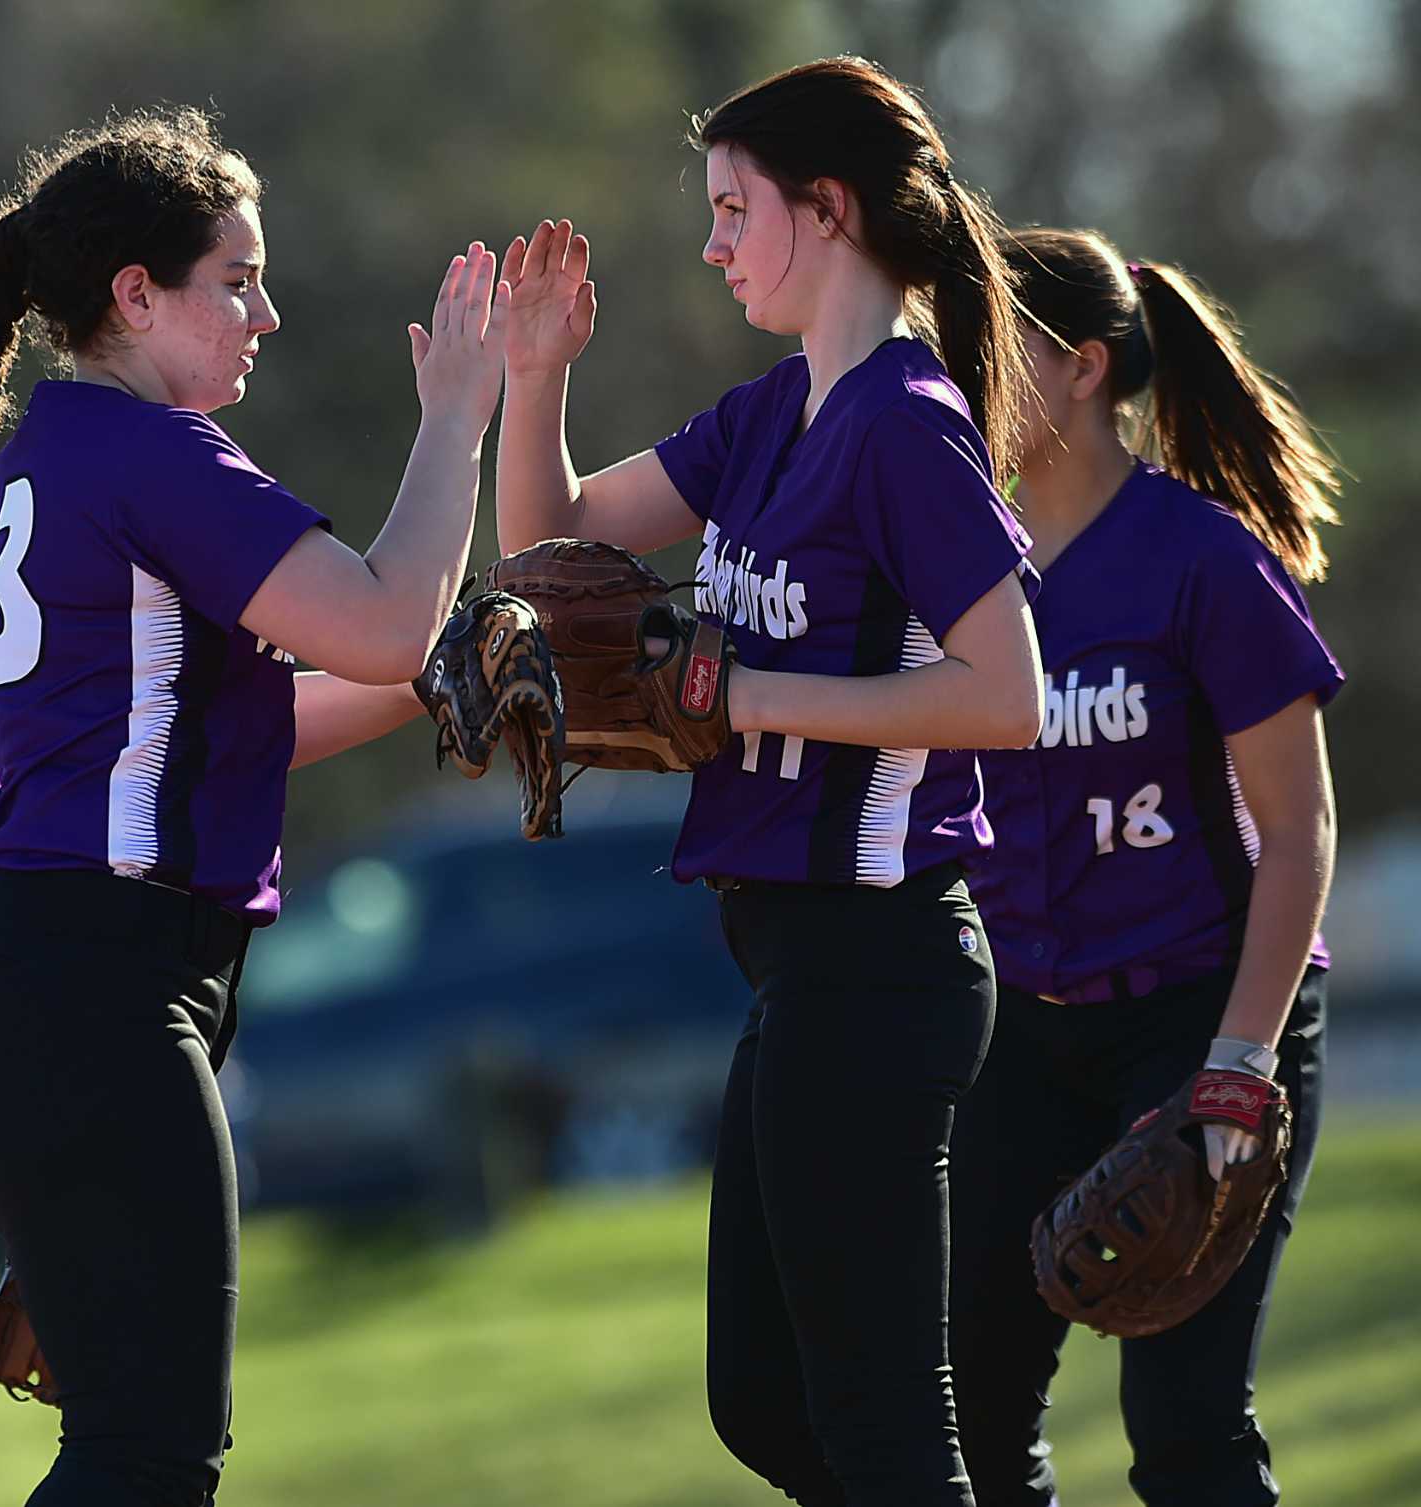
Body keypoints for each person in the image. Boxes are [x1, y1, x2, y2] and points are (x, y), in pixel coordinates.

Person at [0, 107, 501, 1506]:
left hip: (34, 991)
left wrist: (441, 671)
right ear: (135, 294)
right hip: (91, 995)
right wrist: (459, 416)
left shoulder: (53, 453)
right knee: (150, 1454)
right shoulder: (150, 454)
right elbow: (388, 617)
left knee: (130, 1443)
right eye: (237, 276)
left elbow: (235, 723)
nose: (266, 312)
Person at [493, 55, 1046, 1507]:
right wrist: (536, 374)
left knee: (877, 1423)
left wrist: (737, 691)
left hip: (883, 952)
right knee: (766, 1401)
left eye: (737, 208)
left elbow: (1008, 695)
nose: (714, 240)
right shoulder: (773, 413)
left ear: (830, 207)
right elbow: (545, 547)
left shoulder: (907, 423)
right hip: (799, 961)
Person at [948, 229, 1343, 1507]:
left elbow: (1298, 833)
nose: (958, 370)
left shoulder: (1201, 560)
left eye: (989, 342)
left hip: (1200, 1023)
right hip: (1021, 1028)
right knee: (970, 1407)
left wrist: (1236, 1066)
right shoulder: (963, 567)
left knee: (1181, 1427)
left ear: (1081, 369)